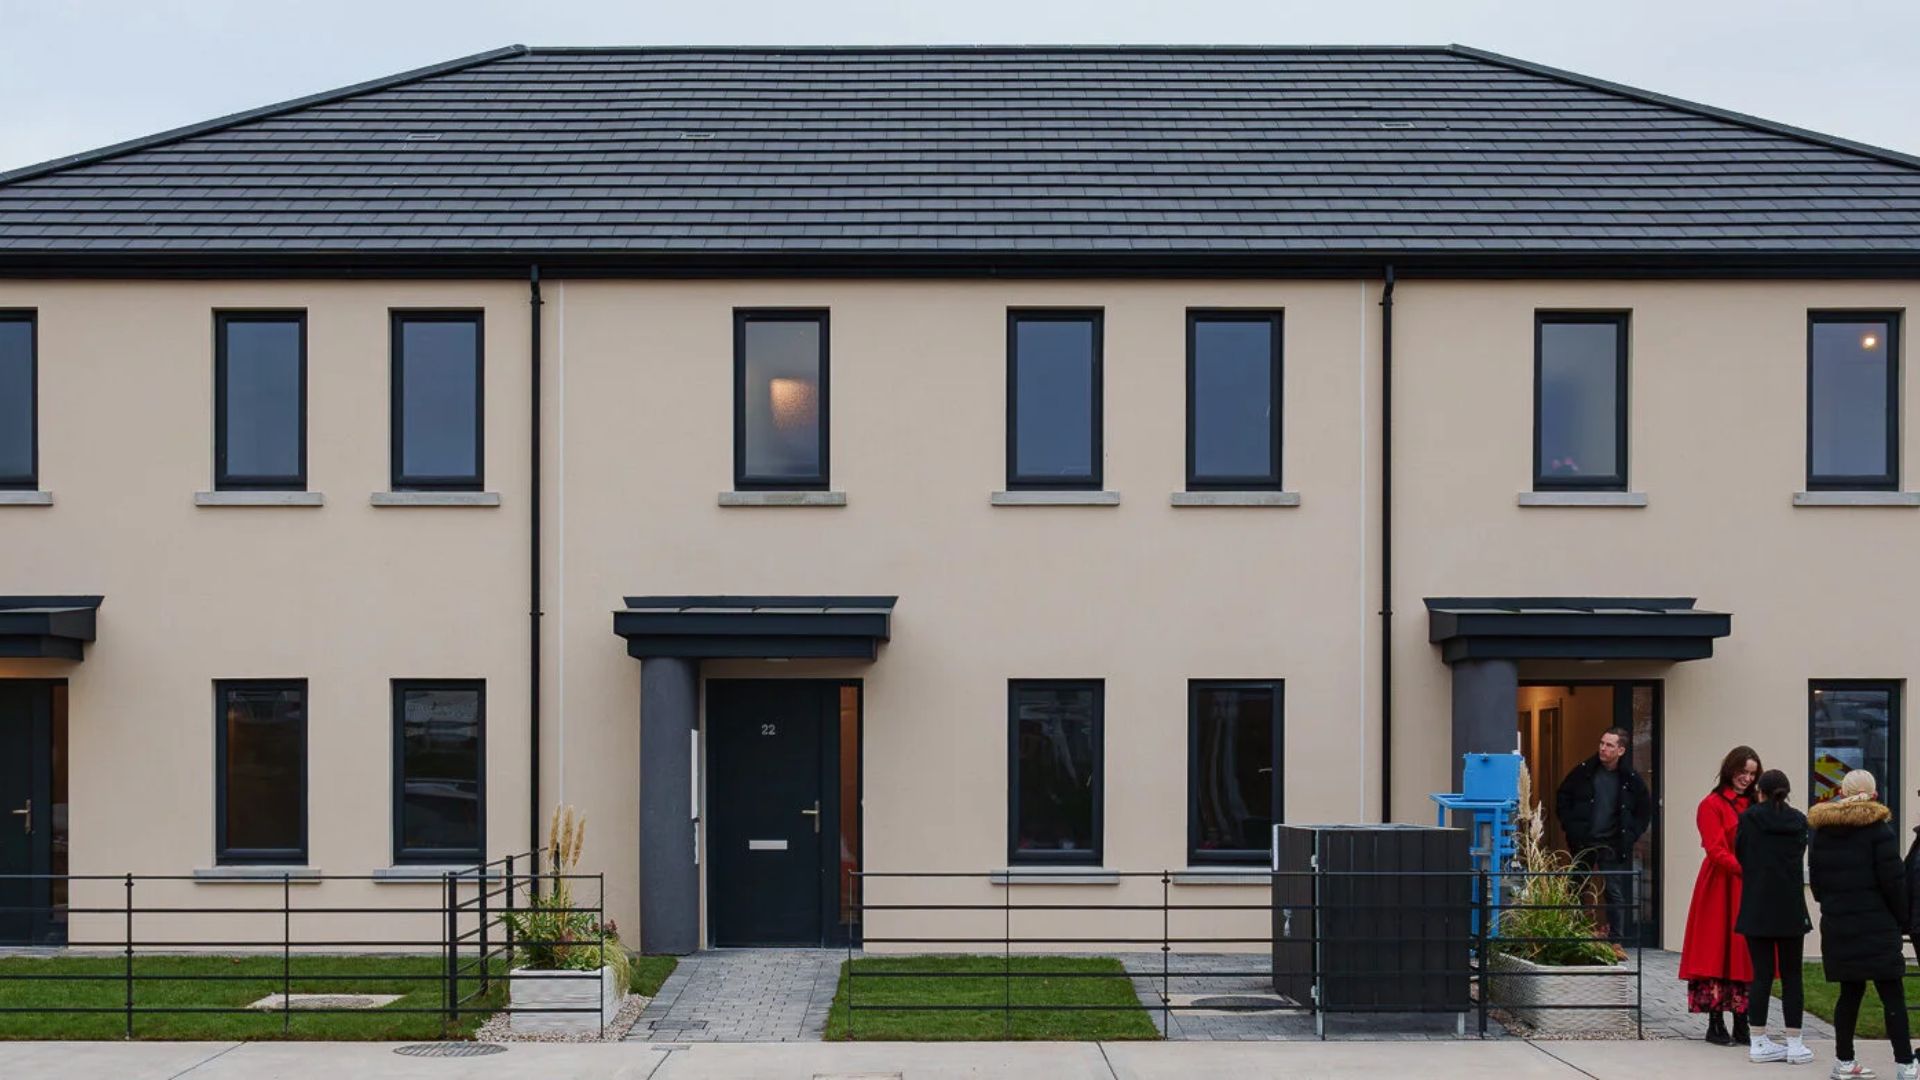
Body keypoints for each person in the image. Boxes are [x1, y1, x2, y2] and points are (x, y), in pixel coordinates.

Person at [1810, 769, 1915, 1080]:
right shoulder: (1880, 831)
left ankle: (1844, 1062)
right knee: (1892, 994)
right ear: (1873, 794)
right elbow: (1894, 883)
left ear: (1842, 793)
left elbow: (1817, 885)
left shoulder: (1823, 833)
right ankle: (1906, 1064)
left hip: (1839, 924)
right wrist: (1902, 919)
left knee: (1849, 993)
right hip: (1878, 925)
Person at [1681, 745, 1761, 1046]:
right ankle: (1715, 1023)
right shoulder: (1711, 804)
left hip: (1745, 883)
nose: (1747, 778)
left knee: (1744, 952)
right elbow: (1714, 848)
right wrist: (1746, 869)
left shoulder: (1755, 803)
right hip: (1720, 885)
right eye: (1743, 772)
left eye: (1752, 774)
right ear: (1731, 770)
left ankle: (1742, 1021)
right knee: (1717, 949)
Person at [1735, 769, 1812, 1065]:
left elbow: (1741, 854)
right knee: (1793, 976)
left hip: (1757, 904)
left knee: (1761, 976)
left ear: (1760, 792)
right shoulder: (1799, 820)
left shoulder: (1749, 819)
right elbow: (1799, 853)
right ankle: (1795, 1043)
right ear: (1787, 792)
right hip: (1790, 906)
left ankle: (1758, 1041)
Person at [1555, 726, 1652, 957]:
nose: (1603, 748)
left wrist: (1631, 834)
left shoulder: (1630, 780)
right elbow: (1563, 796)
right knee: (1577, 886)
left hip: (1612, 842)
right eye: (1602, 743)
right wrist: (1571, 826)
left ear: (1621, 750)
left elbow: (1644, 810)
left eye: (1609, 745)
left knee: (1614, 890)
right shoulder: (1584, 772)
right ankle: (1574, 933)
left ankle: (1616, 941)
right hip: (1584, 840)